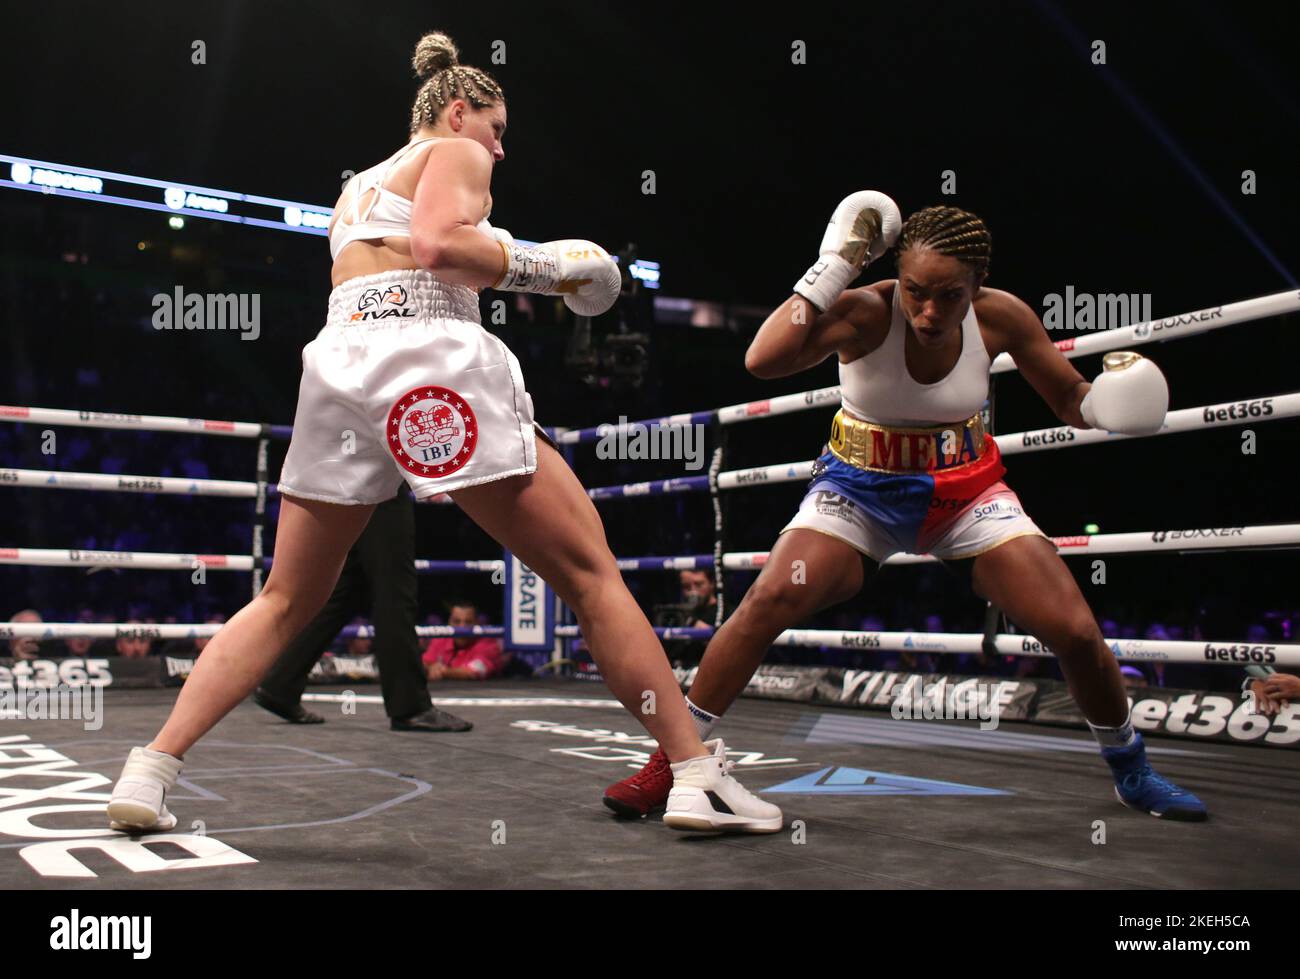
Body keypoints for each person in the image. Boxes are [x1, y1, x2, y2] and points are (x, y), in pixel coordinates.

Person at [107, 30, 777, 836]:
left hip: (336, 366)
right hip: (423, 352)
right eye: (497, 129)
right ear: (459, 111)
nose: (501, 147)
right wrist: (556, 267)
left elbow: (396, 258)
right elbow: (438, 249)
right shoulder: (456, 153)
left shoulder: (356, 190)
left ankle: (150, 768)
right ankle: (696, 774)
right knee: (590, 571)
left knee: (286, 596)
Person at [605, 199, 1207, 822]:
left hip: (965, 491)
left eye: (948, 296)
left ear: (977, 285)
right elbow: (764, 359)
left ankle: (1132, 771)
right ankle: (672, 766)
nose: (927, 311)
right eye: (916, 290)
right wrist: (833, 266)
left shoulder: (1003, 318)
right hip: (859, 489)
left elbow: (1068, 397)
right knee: (769, 599)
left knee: (1076, 631)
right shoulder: (866, 311)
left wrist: (1108, 407)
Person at [254, 491, 473, 730]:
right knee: (395, 589)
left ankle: (281, 684)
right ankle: (410, 706)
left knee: (347, 590)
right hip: (381, 482)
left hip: (352, 481)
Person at [422, 600, 506, 681]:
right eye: (456, 621)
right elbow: (424, 663)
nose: (462, 628)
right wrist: (430, 668)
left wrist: (443, 671)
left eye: (468, 622)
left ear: (477, 623)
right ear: (449, 622)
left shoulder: (489, 646)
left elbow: (473, 672)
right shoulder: (441, 639)